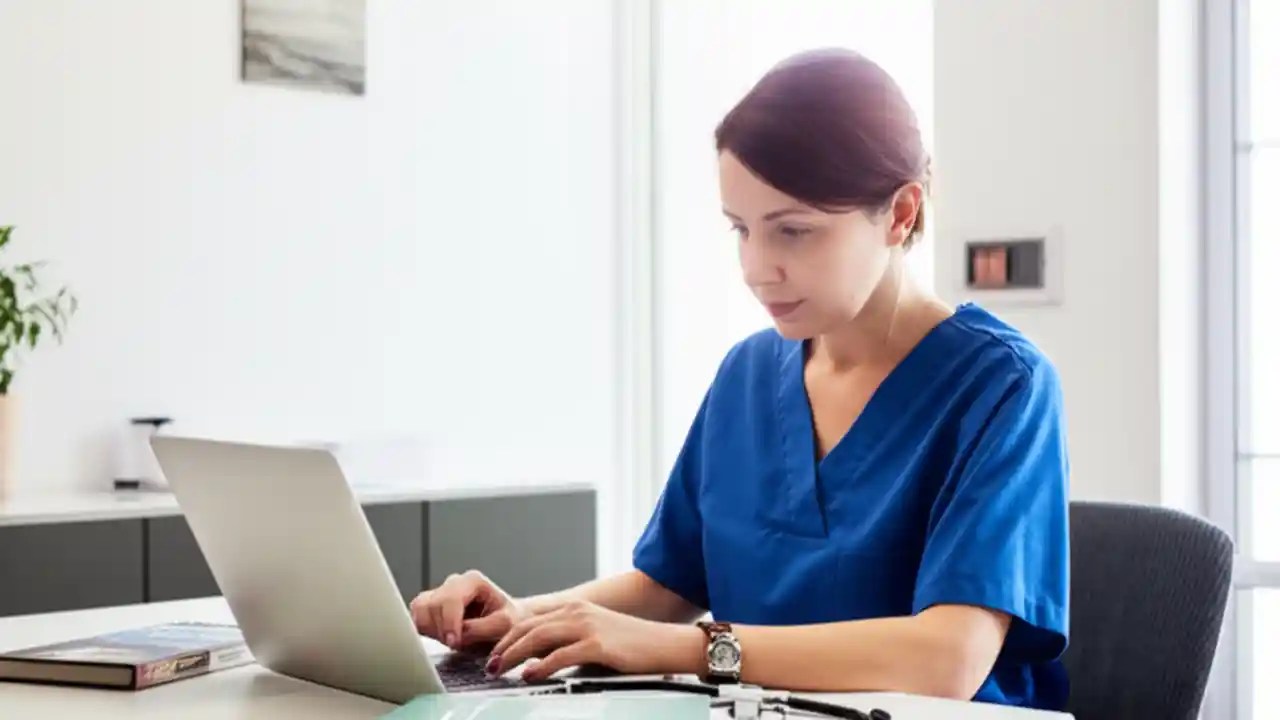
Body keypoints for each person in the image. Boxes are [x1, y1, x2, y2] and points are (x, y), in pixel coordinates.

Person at [410, 48, 1069, 711]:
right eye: (741, 230)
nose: (757, 267)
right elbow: (665, 587)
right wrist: (520, 620)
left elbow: (948, 659)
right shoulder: (748, 376)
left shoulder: (1001, 386)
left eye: (793, 232)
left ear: (900, 214)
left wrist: (693, 649)